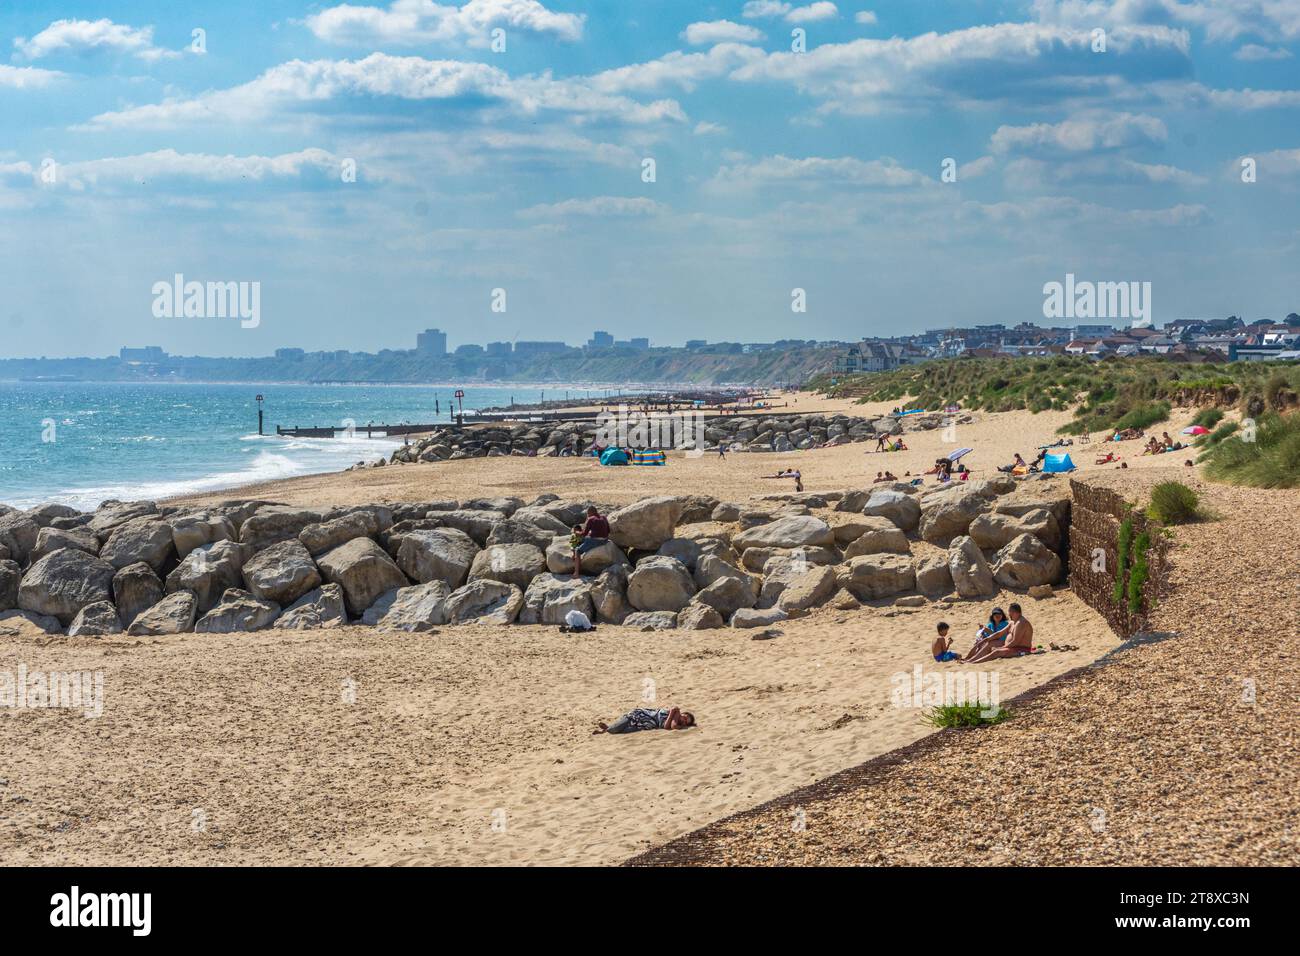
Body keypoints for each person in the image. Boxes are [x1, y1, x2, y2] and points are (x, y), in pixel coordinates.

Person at [966, 603, 1035, 663]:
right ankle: (970, 659)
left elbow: (1015, 642)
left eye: (1010, 612)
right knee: (989, 643)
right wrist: (986, 639)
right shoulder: (1012, 622)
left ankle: (974, 662)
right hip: (1010, 646)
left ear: (1015, 612)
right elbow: (999, 633)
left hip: (1021, 649)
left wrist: (1001, 648)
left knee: (997, 652)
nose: (1009, 614)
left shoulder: (1021, 623)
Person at [594, 706, 696, 735]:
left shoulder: (675, 718)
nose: (684, 721)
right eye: (685, 717)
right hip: (637, 716)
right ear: (682, 713)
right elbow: (670, 727)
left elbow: (670, 726)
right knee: (613, 730)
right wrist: (675, 713)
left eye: (686, 722)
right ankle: (606, 729)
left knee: (618, 732)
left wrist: (681, 723)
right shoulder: (675, 711)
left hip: (642, 726)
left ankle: (607, 728)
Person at [572, 506, 610, 576]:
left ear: (589, 513)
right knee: (587, 537)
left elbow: (583, 534)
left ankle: (576, 573)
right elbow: (608, 530)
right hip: (605, 540)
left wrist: (576, 532)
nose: (587, 515)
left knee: (577, 550)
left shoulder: (590, 519)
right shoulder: (604, 517)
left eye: (587, 514)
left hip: (595, 541)